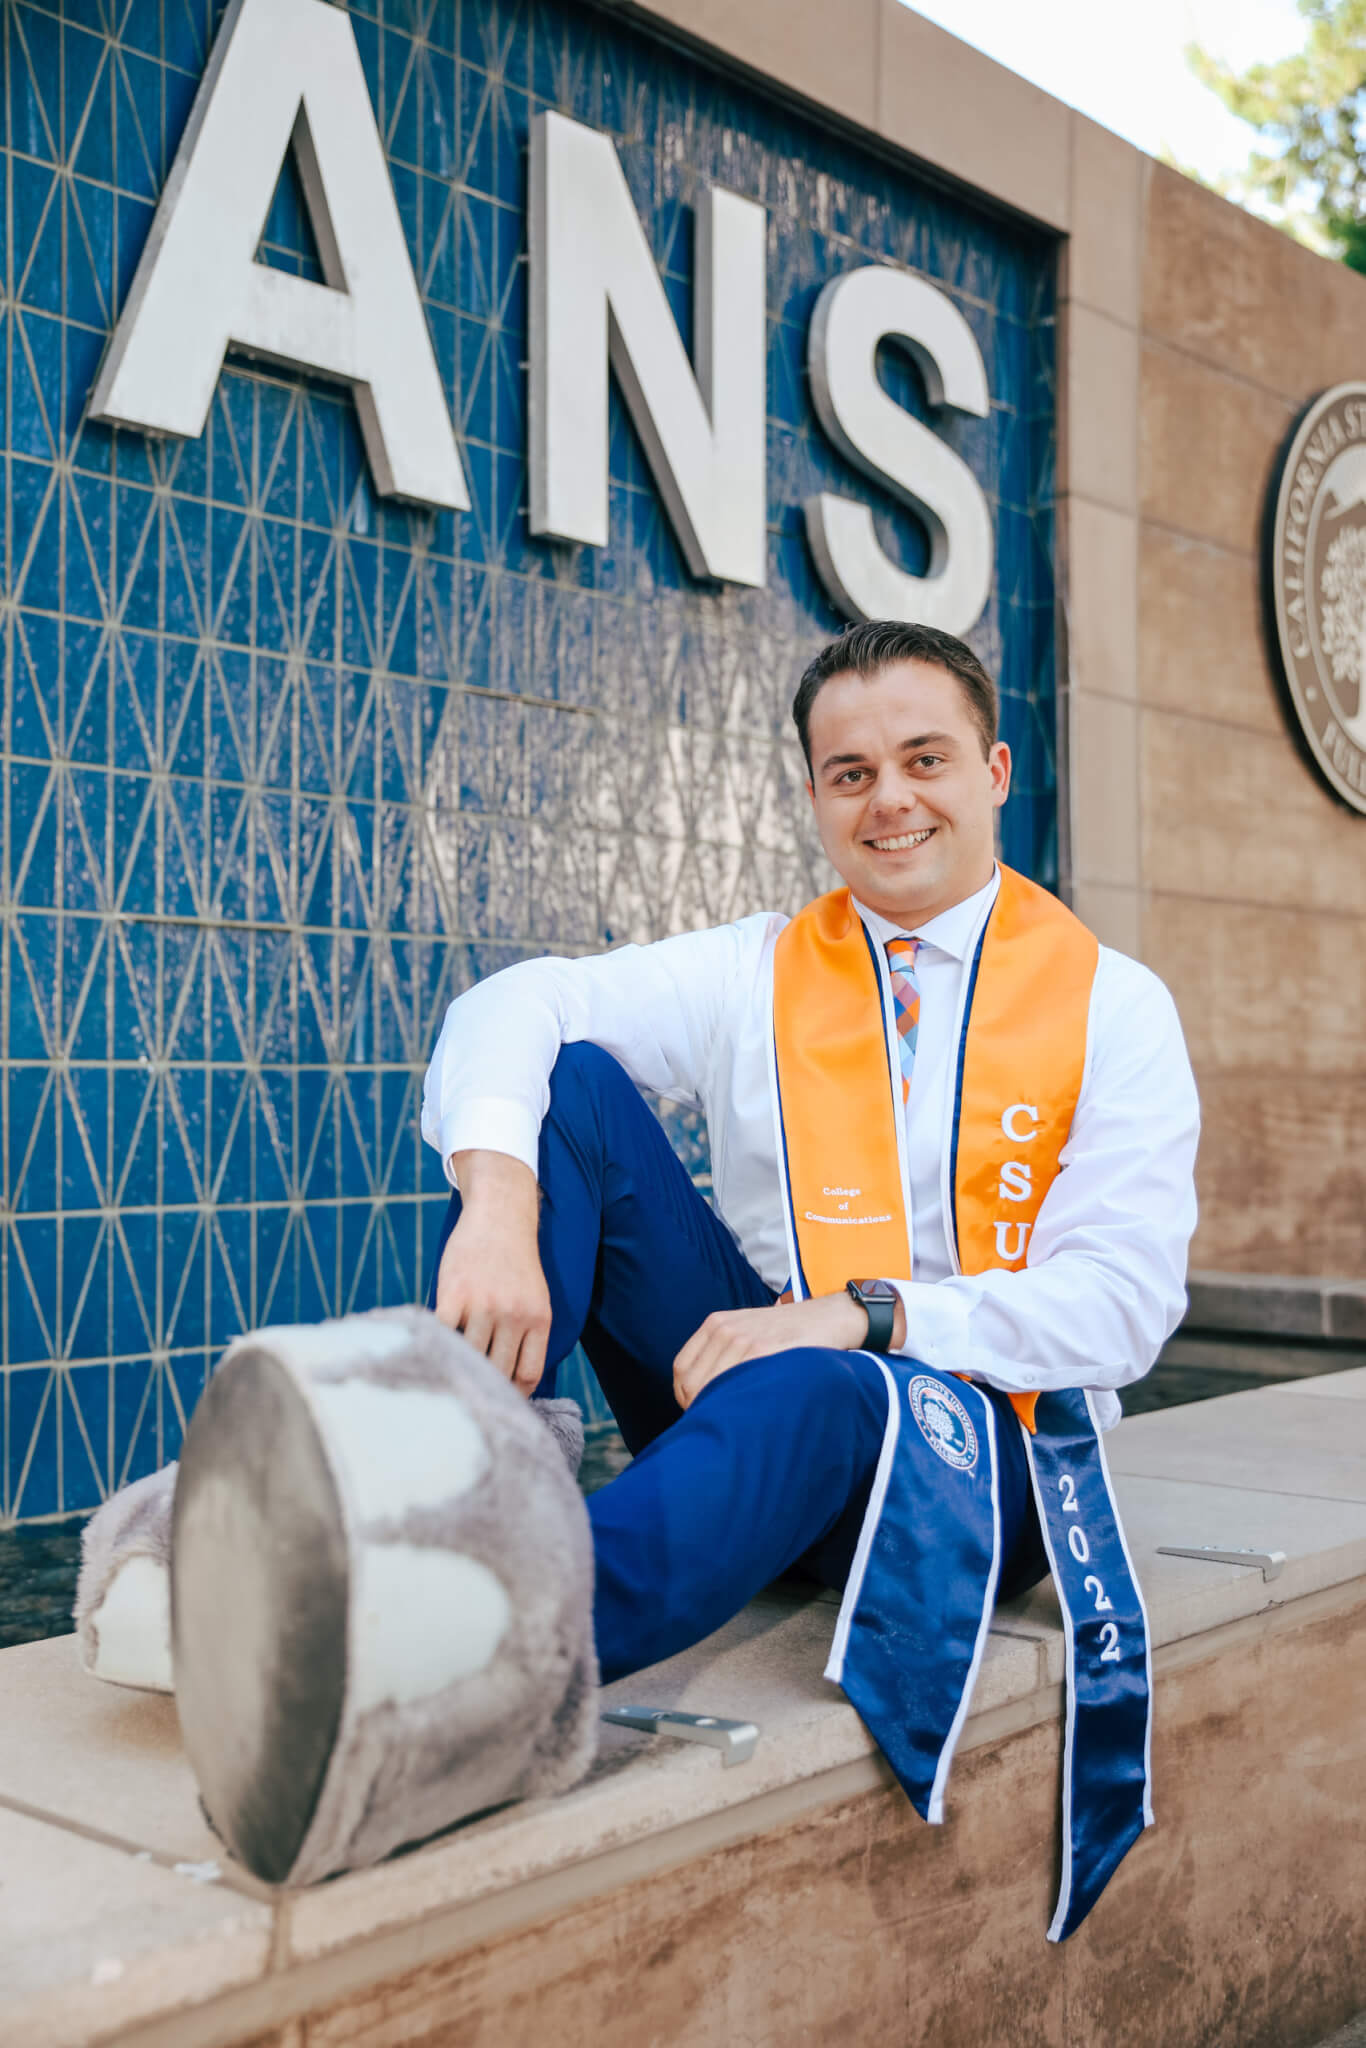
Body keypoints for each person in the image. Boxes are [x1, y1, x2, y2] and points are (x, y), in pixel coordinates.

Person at [416, 618, 1199, 1938]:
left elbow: (1122, 1303)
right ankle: (457, 1488)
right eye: (849, 774)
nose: (887, 798)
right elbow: (516, 1002)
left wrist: (871, 1315)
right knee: (573, 1094)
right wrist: (496, 1198)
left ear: (995, 771)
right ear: (816, 800)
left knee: (830, 1387)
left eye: (922, 759)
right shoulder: (758, 968)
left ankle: (473, 1649)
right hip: (745, 1400)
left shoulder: (1109, 1006)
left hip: (986, 1459)